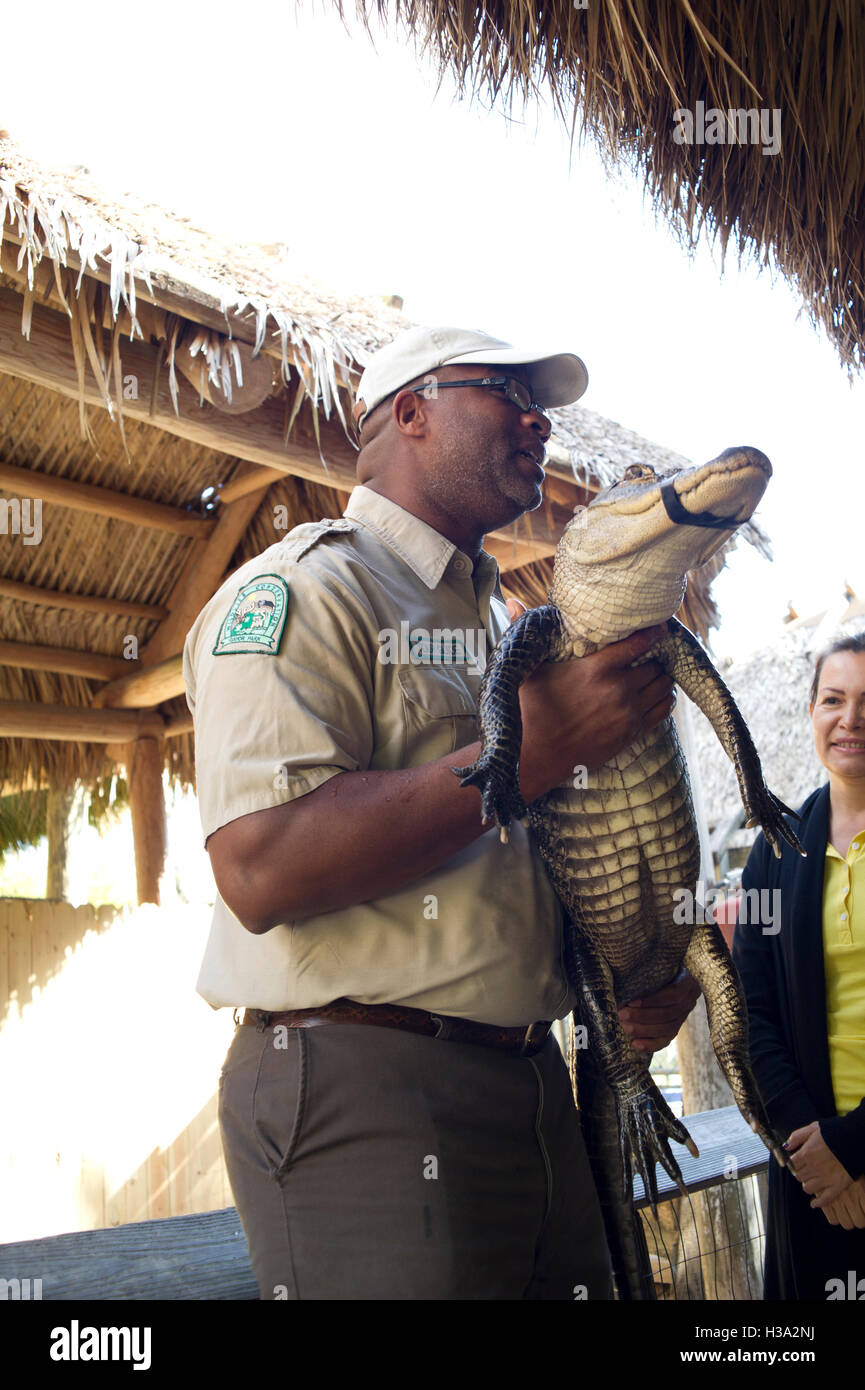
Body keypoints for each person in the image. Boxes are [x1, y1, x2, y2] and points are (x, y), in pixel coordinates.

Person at [182, 324, 697, 1300]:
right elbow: (258, 868)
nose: (537, 418)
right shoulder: (303, 588)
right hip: (368, 1085)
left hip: (539, 1083)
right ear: (408, 411)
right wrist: (529, 751)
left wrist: (630, 977)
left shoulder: (508, 625)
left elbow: (510, 878)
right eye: (503, 390)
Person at [733, 634, 865, 1300]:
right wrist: (813, 1150)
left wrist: (856, 1145)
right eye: (832, 700)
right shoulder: (774, 852)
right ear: (810, 713)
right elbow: (748, 1008)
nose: (850, 720)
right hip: (811, 1168)